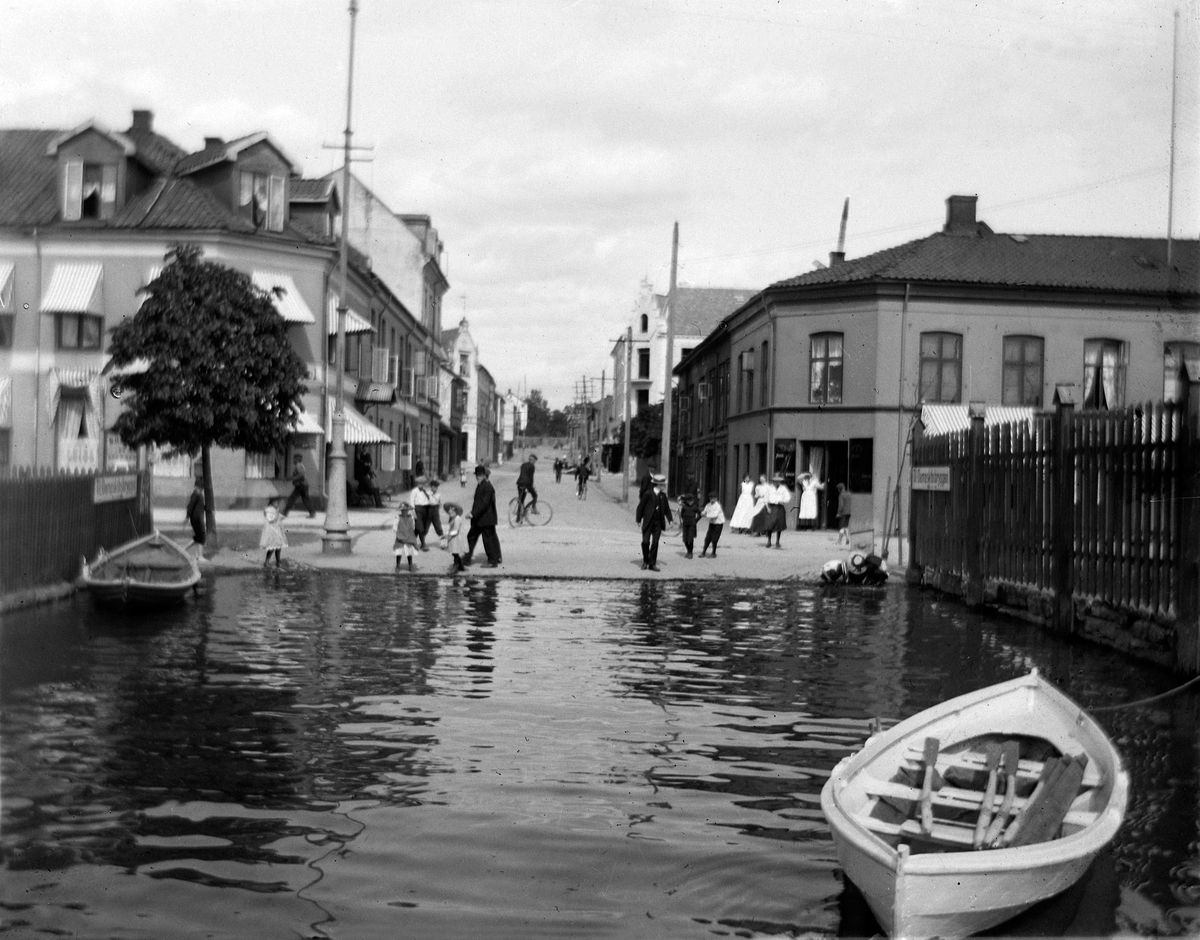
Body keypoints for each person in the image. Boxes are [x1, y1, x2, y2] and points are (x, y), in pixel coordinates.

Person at [466, 464, 502, 567]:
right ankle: (467, 558)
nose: (478, 477)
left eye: (480, 475)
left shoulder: (487, 487)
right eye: (477, 475)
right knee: (472, 537)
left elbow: (484, 504)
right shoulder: (481, 485)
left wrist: (472, 513)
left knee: (487, 539)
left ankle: (492, 561)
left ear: (485, 475)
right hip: (482, 518)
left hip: (485, 518)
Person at [636, 472, 672, 571]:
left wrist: (670, 520)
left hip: (658, 522)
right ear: (658, 484)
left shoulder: (663, 496)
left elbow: (667, 509)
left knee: (655, 543)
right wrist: (638, 519)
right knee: (645, 542)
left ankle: (652, 564)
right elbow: (640, 507)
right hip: (648, 521)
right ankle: (645, 560)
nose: (664, 486)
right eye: (663, 484)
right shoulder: (648, 494)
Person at [765, 473, 792, 548]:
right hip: (771, 506)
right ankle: (769, 541)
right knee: (769, 524)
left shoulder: (783, 488)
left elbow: (788, 497)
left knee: (779, 524)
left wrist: (783, 500)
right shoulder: (769, 488)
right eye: (776, 481)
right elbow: (766, 498)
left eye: (779, 481)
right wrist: (767, 507)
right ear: (773, 481)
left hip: (779, 507)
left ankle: (777, 541)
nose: (777, 482)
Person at [259, 496, 287, 567]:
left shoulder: (275, 509)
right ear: (271, 502)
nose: (277, 504)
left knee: (279, 546)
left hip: (277, 530)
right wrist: (277, 516)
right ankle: (266, 561)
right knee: (272, 546)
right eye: (276, 502)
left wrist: (280, 516)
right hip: (271, 530)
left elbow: (277, 517)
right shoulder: (268, 509)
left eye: (278, 502)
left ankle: (278, 561)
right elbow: (271, 520)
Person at [443, 502, 469, 573]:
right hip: (453, 537)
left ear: (456, 512)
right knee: (455, 552)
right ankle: (461, 566)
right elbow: (450, 528)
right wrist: (447, 533)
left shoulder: (457, 519)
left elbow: (456, 530)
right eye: (449, 512)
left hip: (457, 537)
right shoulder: (452, 518)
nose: (450, 513)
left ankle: (455, 567)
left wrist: (448, 535)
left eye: (452, 512)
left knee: (455, 552)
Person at [185, 476, 207, 560]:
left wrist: (207, 509)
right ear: (197, 487)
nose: (201, 490)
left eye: (201, 488)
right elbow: (190, 506)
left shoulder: (199, 495)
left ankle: (183, 550)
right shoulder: (196, 494)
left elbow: (200, 506)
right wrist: (187, 516)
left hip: (198, 517)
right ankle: (200, 556)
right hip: (196, 518)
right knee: (201, 537)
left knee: (199, 537)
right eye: (200, 488)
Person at [677, 478, 700, 558]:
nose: (691, 502)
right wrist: (683, 520)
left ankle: (690, 552)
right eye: (689, 500)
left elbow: (699, 514)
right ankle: (687, 551)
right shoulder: (684, 507)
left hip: (692, 524)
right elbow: (682, 514)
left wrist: (696, 520)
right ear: (686, 501)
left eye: (692, 500)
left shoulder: (694, 507)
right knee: (685, 539)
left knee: (690, 539)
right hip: (685, 524)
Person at [393, 502, 418, 572]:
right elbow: (395, 527)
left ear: (408, 511)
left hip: (408, 536)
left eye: (406, 510)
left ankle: (410, 565)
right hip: (400, 536)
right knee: (399, 551)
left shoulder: (411, 517)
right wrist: (398, 534)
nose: (404, 512)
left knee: (409, 551)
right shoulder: (397, 517)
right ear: (401, 511)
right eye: (403, 510)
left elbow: (413, 526)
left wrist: (409, 533)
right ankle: (397, 566)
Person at [700, 492, 726, 557]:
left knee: (714, 538)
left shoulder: (717, 506)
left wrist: (706, 515)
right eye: (711, 498)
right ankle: (703, 552)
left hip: (718, 524)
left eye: (714, 498)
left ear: (716, 499)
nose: (712, 500)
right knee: (708, 538)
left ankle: (713, 552)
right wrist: (702, 513)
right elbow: (705, 511)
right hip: (712, 523)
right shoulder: (708, 505)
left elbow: (715, 515)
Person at [516, 453, 539, 520]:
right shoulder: (532, 466)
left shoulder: (523, 465)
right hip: (526, 484)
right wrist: (531, 487)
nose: (534, 462)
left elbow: (522, 474)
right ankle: (533, 508)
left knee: (521, 500)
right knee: (535, 495)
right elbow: (531, 477)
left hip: (519, 483)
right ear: (533, 460)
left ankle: (518, 518)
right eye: (534, 461)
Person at [411, 476, 431, 549]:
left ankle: (412, 541)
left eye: (423, 484)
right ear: (417, 484)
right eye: (419, 484)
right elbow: (411, 501)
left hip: (425, 509)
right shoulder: (414, 491)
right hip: (417, 509)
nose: (421, 485)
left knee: (419, 528)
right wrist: (413, 512)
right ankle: (423, 544)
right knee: (420, 527)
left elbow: (430, 499)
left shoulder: (426, 491)